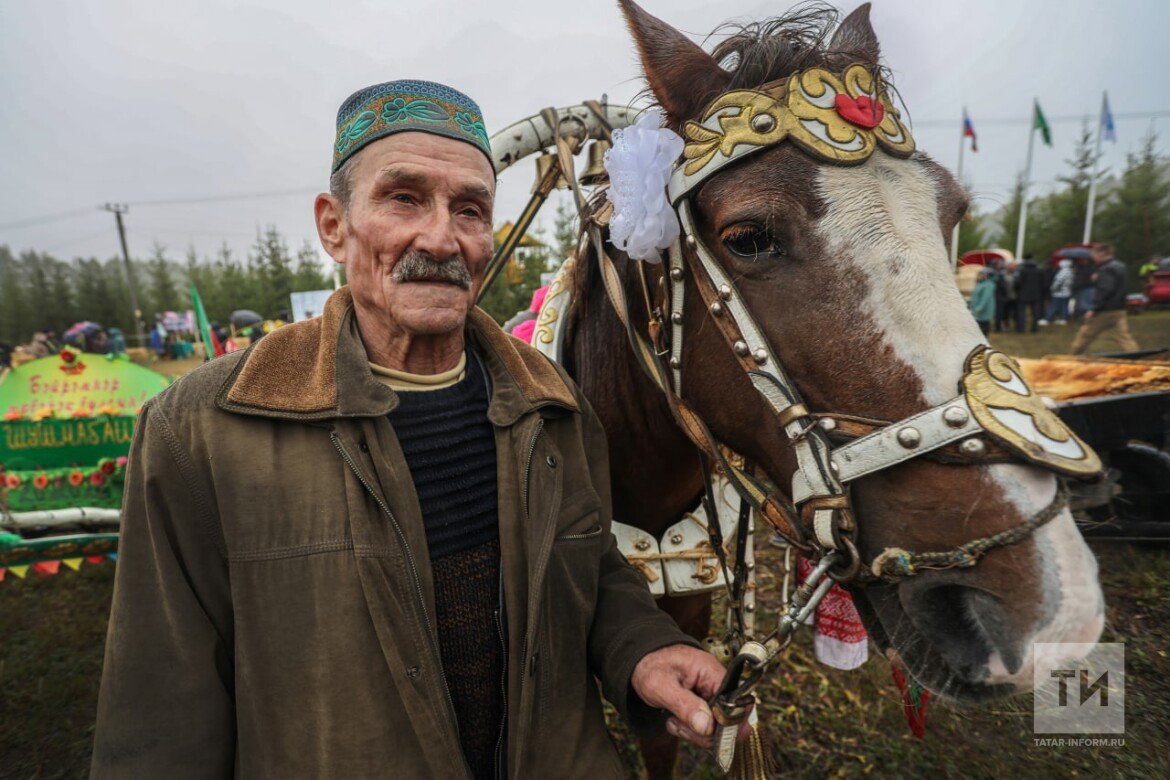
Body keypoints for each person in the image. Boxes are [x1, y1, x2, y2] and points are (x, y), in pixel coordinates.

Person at [92, 79, 734, 779]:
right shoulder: (202, 432)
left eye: (470, 209)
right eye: (403, 198)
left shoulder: (553, 408)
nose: (440, 237)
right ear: (334, 225)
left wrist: (642, 647)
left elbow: (587, 569)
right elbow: (160, 709)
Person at [1071, 243, 1139, 355]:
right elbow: (1118, 286)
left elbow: (1105, 290)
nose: (1093, 257)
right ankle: (1136, 356)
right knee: (1124, 337)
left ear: (1102, 253)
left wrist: (1095, 308)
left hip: (1105, 309)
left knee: (1085, 335)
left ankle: (1073, 357)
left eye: (1094, 254)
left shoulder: (1107, 269)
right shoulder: (1120, 266)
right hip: (1119, 308)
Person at [1039, 259, 1074, 326]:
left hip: (1059, 293)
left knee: (1053, 306)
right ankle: (1064, 319)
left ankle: (1047, 319)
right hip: (1067, 292)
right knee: (1064, 306)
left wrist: (1053, 288)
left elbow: (1058, 282)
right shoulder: (1070, 272)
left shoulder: (1062, 272)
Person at [1016, 254, 1043, 332]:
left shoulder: (1023, 271)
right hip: (1036, 294)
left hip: (1023, 294)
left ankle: (1021, 328)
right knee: (1035, 313)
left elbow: (1018, 282)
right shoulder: (1039, 271)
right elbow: (1043, 283)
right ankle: (1035, 327)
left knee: (1021, 312)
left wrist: (1018, 290)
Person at [968, 268, 996, 335]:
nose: (978, 276)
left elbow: (985, 297)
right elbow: (975, 296)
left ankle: (985, 338)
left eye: (980, 274)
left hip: (983, 309)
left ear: (986, 276)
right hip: (976, 308)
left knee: (984, 324)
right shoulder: (979, 283)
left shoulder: (988, 284)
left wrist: (980, 307)